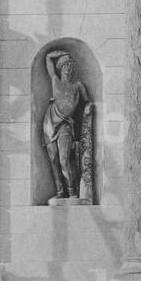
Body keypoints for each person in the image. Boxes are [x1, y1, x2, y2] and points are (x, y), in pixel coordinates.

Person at [43, 50, 90, 199]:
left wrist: (89, 106)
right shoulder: (55, 80)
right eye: (65, 66)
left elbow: (87, 101)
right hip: (49, 123)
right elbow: (48, 57)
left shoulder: (78, 86)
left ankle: (72, 192)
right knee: (54, 160)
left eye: (70, 66)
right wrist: (63, 53)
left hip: (65, 125)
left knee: (64, 159)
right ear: (60, 69)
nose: (68, 69)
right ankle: (59, 192)